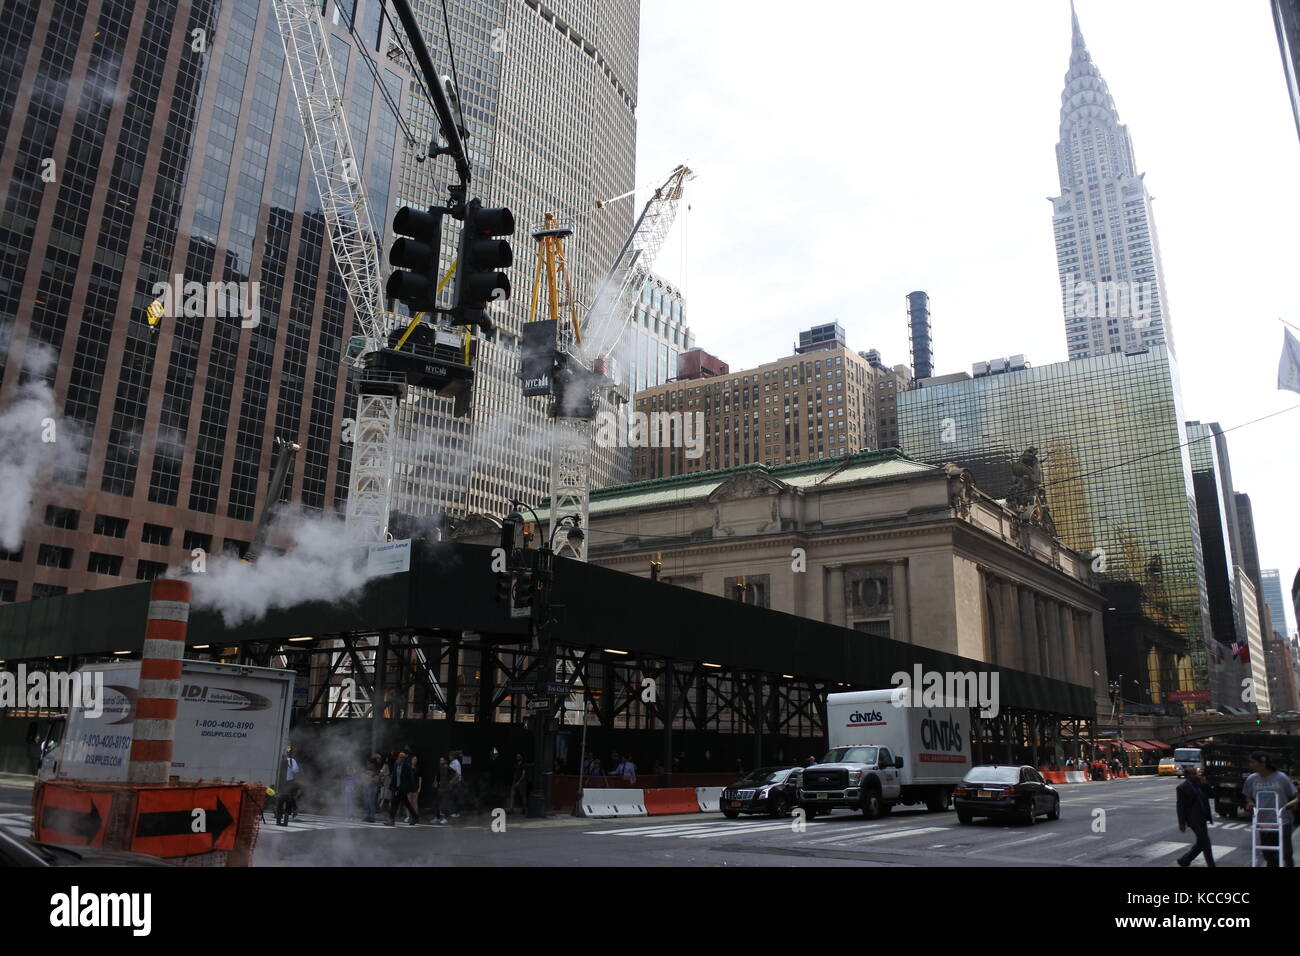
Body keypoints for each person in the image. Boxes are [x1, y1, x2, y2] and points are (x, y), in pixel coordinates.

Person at [1243, 751, 1296, 867]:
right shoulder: (1252, 779)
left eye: (1253, 762)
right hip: (1263, 822)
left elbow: (1293, 795)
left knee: (1285, 853)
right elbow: (1248, 796)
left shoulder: (1282, 778)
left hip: (1282, 821)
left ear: (1263, 763)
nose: (1250, 765)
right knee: (1268, 855)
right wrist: (1250, 803)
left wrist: (1292, 806)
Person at [1175, 766, 1215, 867]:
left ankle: (1184, 860)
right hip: (1193, 819)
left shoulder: (1200, 784)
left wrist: (1205, 784)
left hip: (1203, 817)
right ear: (1187, 775)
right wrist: (1182, 823)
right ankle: (1211, 865)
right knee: (1206, 843)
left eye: (1195, 773)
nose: (1195, 775)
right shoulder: (1182, 788)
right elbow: (1180, 806)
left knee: (1201, 843)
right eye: (1193, 774)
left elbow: (1211, 795)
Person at [388, 751, 418, 826]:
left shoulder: (407, 766)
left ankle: (391, 820)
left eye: (403, 757)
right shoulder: (396, 764)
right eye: (400, 757)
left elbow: (410, 778)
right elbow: (394, 776)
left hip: (403, 788)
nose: (401, 758)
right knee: (406, 804)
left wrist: (412, 789)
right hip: (396, 787)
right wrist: (391, 786)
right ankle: (415, 817)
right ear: (398, 757)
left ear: (405, 758)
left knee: (394, 803)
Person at [275, 746, 301, 826]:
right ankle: (278, 820)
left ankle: (286, 820)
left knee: (288, 800)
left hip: (288, 783)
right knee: (279, 801)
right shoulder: (278, 760)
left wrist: (289, 766)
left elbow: (296, 770)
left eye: (286, 752)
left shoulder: (291, 761)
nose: (285, 754)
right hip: (281, 783)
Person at [405, 755, 423, 824]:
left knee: (415, 803)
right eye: (414, 759)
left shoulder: (418, 769)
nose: (415, 760)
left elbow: (420, 778)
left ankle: (415, 816)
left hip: (415, 787)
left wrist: (419, 787)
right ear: (411, 760)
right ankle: (408, 816)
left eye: (416, 759)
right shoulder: (408, 768)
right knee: (408, 802)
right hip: (409, 787)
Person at [447, 750, 464, 818]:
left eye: (450, 756)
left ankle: (456, 812)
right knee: (453, 797)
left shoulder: (456, 763)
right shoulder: (452, 762)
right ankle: (454, 811)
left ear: (453, 756)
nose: (449, 757)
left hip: (456, 783)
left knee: (455, 797)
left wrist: (451, 782)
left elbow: (458, 774)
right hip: (453, 782)